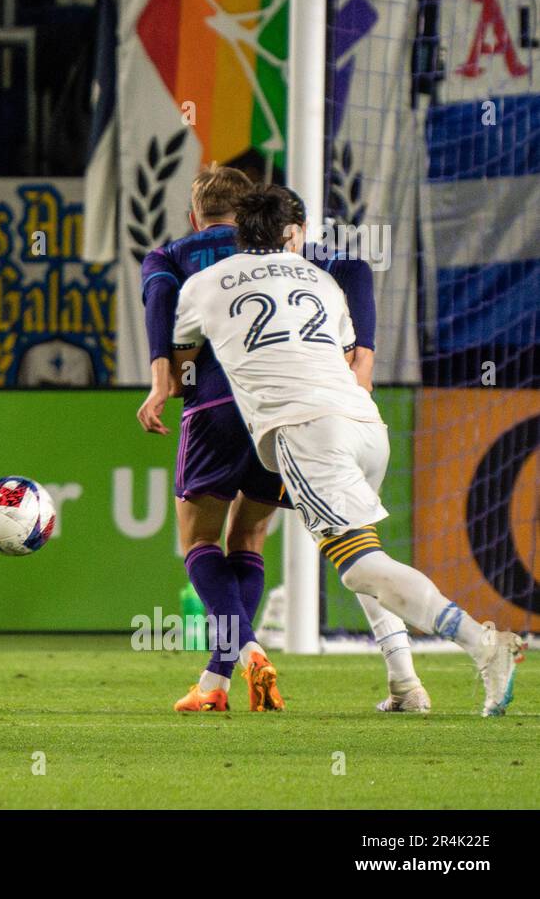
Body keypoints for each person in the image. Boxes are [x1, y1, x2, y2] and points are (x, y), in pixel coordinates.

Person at [170, 184, 525, 717]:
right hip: (364, 424)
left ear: (239, 234)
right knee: (361, 551)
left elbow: (183, 363)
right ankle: (405, 684)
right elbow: (342, 351)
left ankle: (484, 645)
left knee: (360, 567)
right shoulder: (322, 280)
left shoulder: (201, 283)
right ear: (294, 235)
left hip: (306, 431)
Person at [137, 165, 426, 714]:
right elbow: (355, 268)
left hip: (217, 410)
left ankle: (247, 654)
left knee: (198, 542)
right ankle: (215, 682)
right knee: (249, 538)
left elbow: (161, 312)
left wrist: (160, 383)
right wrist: (361, 357)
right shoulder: (299, 259)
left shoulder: (172, 255)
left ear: (194, 214)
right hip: (288, 419)